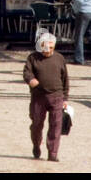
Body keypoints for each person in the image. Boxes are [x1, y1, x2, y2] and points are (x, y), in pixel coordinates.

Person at [23, 30, 70, 162]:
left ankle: (52, 153)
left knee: (56, 125)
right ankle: (36, 145)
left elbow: (65, 78)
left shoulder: (59, 58)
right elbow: (27, 72)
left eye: (50, 48)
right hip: (38, 97)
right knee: (37, 124)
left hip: (56, 96)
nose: (47, 51)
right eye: (45, 48)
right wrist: (31, 80)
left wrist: (65, 98)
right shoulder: (33, 58)